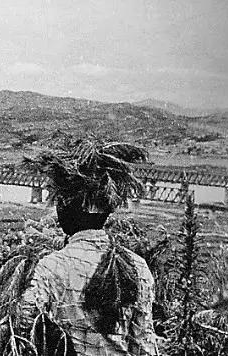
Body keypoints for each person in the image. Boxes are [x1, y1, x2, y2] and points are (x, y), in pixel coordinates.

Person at [19, 141, 158, 355]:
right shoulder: (138, 266)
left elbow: (22, 324)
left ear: (65, 208)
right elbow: (144, 346)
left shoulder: (52, 267)